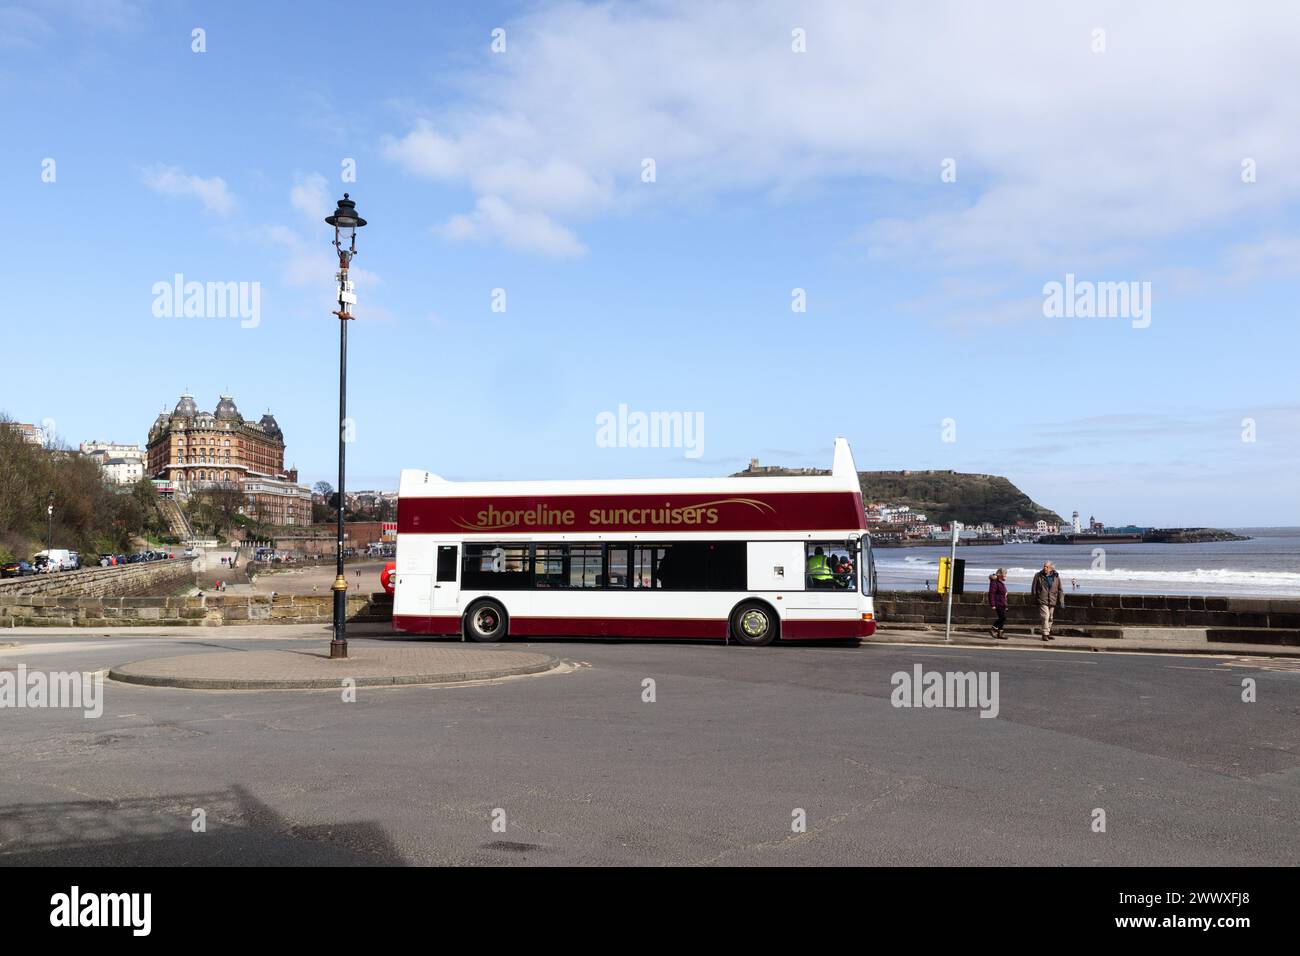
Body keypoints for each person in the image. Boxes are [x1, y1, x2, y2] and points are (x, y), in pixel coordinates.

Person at [1030, 560, 1064, 641]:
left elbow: (1060, 590)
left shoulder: (1056, 576)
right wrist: (1034, 599)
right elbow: (1033, 589)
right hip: (1042, 599)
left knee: (1051, 618)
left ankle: (1047, 633)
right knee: (1045, 616)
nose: (1045, 568)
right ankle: (1044, 634)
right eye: (1044, 566)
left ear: (1051, 568)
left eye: (1047, 567)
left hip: (1052, 600)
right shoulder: (1038, 576)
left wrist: (1061, 600)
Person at [988, 568, 1008, 639]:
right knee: (1003, 617)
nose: (1006, 576)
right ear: (1000, 575)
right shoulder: (994, 582)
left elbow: (1002, 593)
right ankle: (993, 629)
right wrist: (993, 604)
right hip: (998, 603)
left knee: (1003, 618)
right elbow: (991, 594)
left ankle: (1000, 633)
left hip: (1002, 603)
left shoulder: (1000, 582)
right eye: (1004, 574)